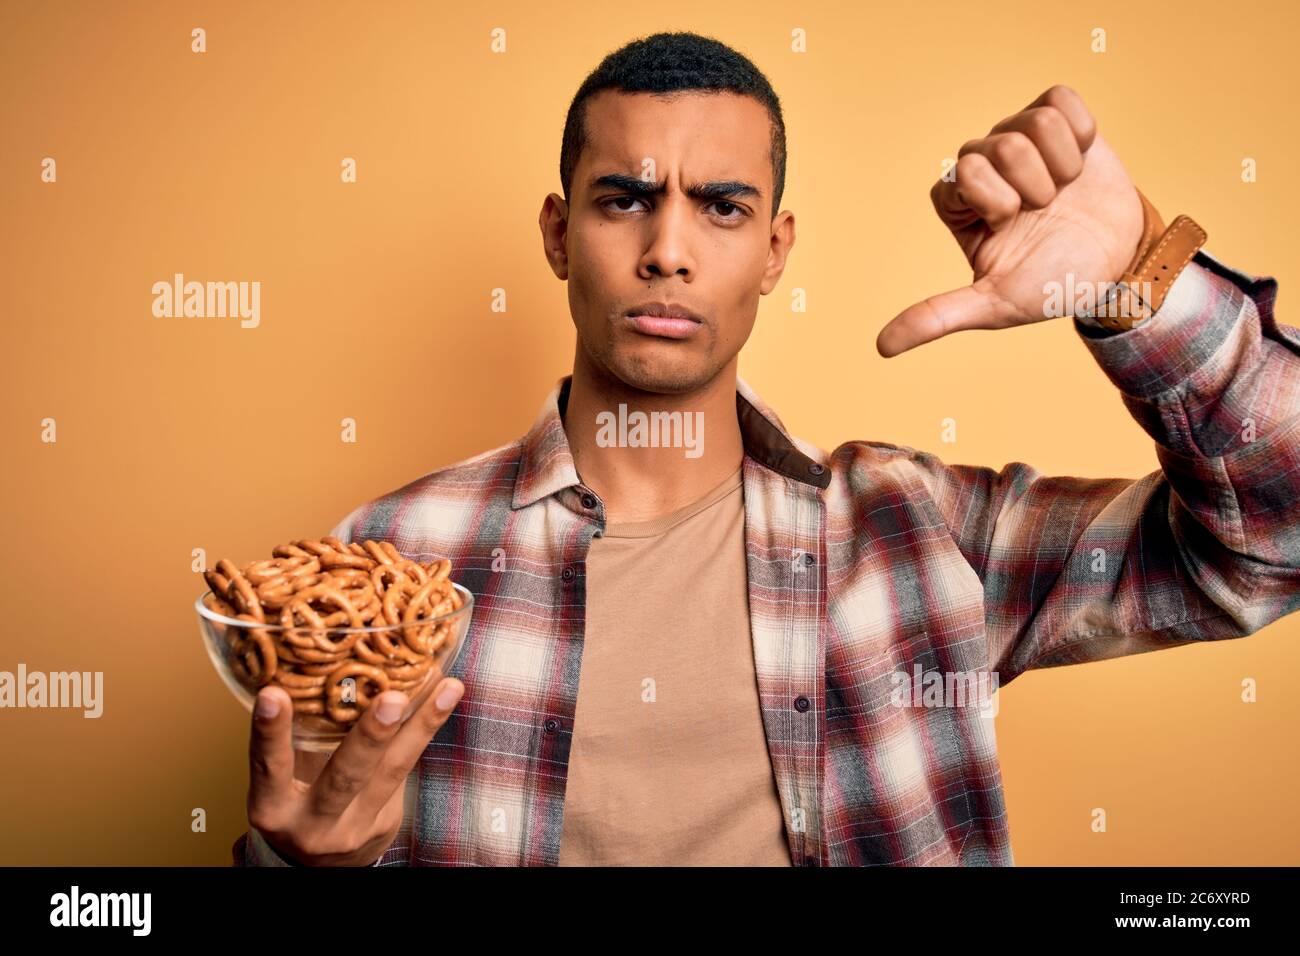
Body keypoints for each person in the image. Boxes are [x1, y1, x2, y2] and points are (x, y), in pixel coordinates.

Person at [234, 31, 1300, 867]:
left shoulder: (914, 533)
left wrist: (1131, 281)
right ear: (559, 234)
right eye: (625, 199)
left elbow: (1264, 550)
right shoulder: (394, 554)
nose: (667, 250)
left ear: (774, 247)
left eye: (721, 206)